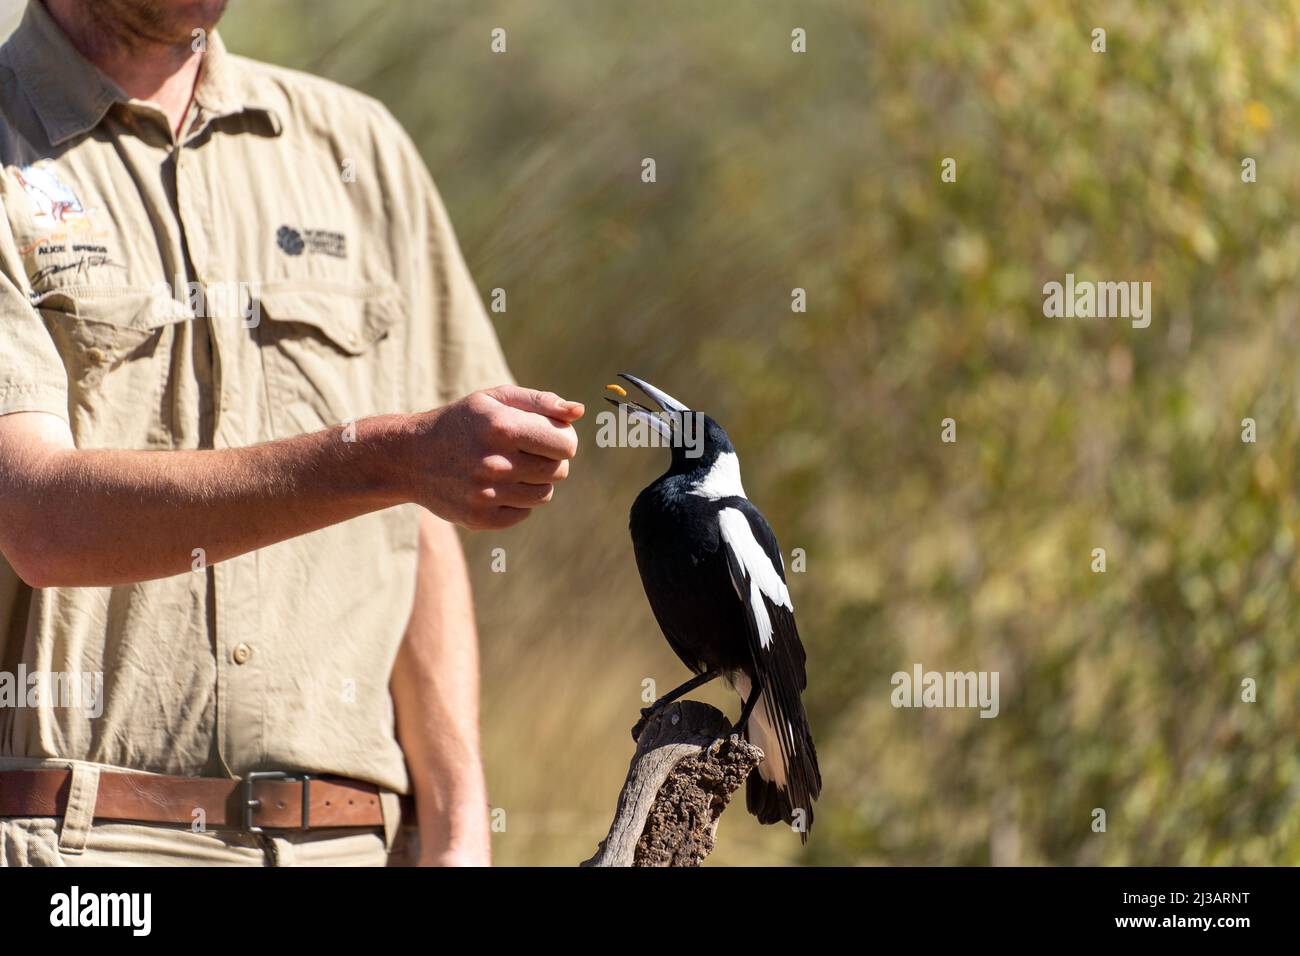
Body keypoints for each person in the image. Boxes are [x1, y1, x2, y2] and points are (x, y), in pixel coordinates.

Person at [0, 0, 584, 866]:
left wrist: (460, 829)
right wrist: (385, 457)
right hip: (84, 848)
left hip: (350, 844)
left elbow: (420, 524)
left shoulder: (360, 149)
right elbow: (43, 521)